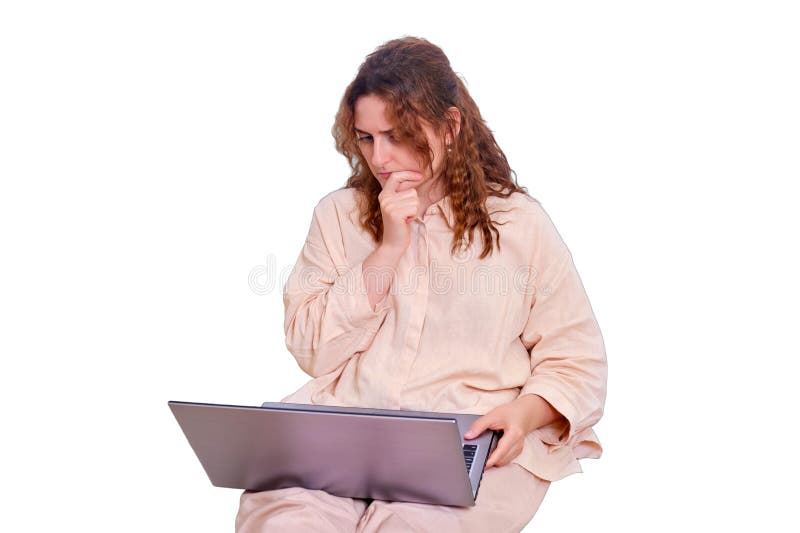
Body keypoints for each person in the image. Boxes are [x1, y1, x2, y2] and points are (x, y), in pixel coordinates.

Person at [236, 36, 607, 532]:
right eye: (367, 138)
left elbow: (577, 360)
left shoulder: (518, 225)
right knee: (284, 521)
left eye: (397, 135)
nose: (381, 157)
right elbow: (311, 348)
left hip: (467, 441)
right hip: (346, 429)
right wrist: (388, 248)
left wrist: (523, 414)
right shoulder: (337, 215)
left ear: (449, 126)